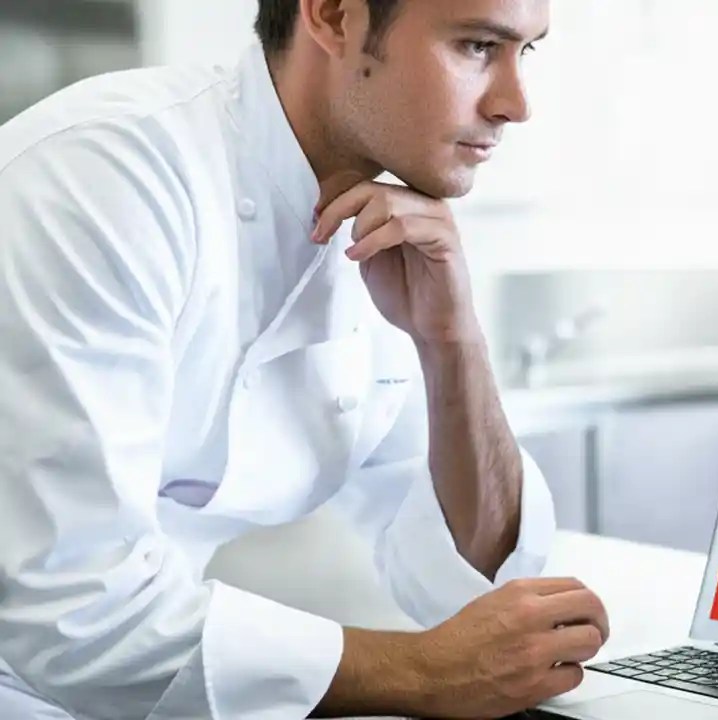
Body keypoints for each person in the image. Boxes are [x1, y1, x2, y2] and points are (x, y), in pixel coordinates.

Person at [0, 0, 609, 717]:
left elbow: (466, 584)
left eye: (525, 52)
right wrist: (424, 675)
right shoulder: (106, 178)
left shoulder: (381, 228)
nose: (514, 104)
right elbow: (75, 612)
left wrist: (453, 343)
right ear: (332, 16)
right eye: (477, 47)